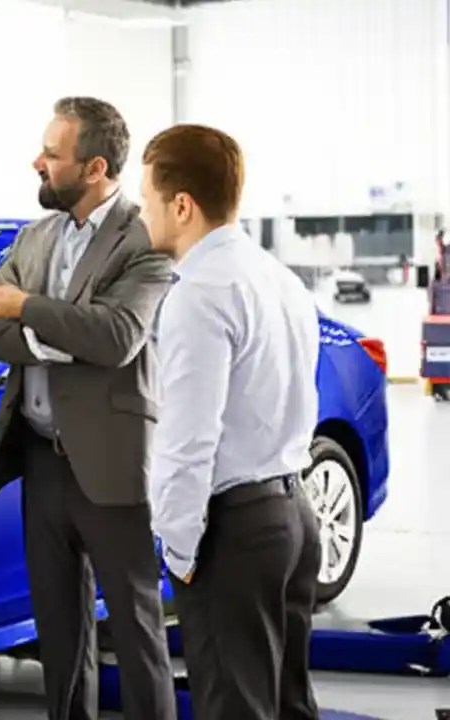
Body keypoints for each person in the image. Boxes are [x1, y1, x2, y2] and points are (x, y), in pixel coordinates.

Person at [0, 96, 176, 720]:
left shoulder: (144, 240)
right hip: (39, 459)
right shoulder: (33, 236)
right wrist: (59, 334)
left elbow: (117, 337)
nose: (36, 161)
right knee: (60, 633)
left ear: (94, 168)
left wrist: (29, 311)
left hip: (111, 461)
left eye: (52, 154)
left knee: (136, 625)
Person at [138, 123, 322, 720]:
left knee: (234, 706)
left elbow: (188, 438)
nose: (143, 215)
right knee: (288, 702)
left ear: (182, 205)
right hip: (294, 514)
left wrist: (180, 548)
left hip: (235, 531)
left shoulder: (200, 291)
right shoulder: (280, 278)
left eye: (147, 201)